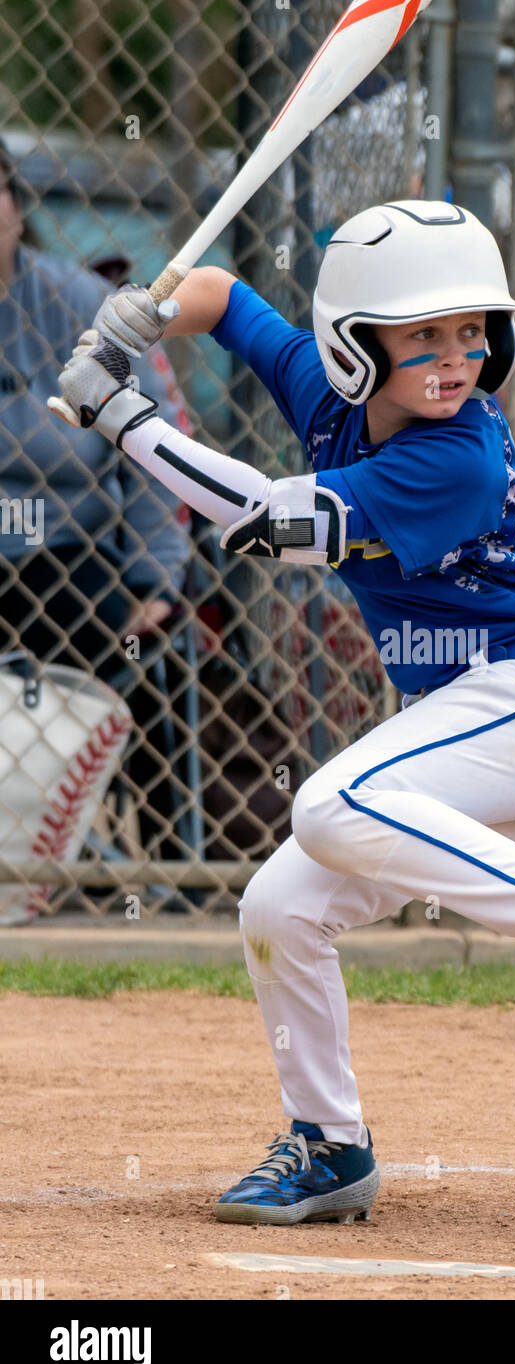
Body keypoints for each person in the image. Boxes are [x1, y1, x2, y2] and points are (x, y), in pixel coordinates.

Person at [53, 199, 515, 1227]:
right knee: (280, 906)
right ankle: (329, 1145)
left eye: (472, 332)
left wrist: (124, 417)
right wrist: (139, 312)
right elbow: (224, 298)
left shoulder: (461, 456)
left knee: (330, 800)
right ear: (353, 348)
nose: (456, 357)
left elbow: (268, 519)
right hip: (483, 715)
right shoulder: (324, 390)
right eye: (424, 335)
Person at [0, 139, 192, 865]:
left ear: (17, 207)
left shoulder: (76, 300)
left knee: (141, 648)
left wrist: (154, 574)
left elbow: (149, 446)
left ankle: (179, 867)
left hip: (69, 551)